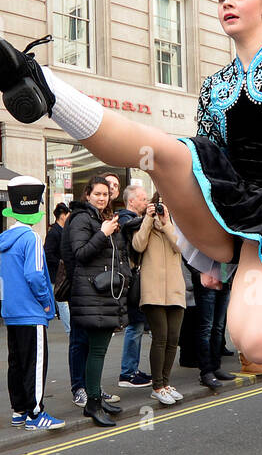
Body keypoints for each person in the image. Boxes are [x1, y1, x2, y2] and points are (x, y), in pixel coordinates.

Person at [0, 0, 262, 451]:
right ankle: (36, 80)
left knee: (256, 342)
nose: (227, 5)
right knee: (169, 153)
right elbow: (207, 162)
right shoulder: (215, 85)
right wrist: (207, 255)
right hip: (224, 204)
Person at [0, 176, 64, 431]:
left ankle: (19, 411)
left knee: (16, 363)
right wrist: (47, 303)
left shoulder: (5, 239)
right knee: (35, 365)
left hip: (12, 312)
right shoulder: (32, 238)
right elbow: (35, 274)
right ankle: (36, 414)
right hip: (31, 312)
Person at [67, 176, 130, 426]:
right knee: (96, 351)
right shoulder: (82, 218)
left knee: (98, 351)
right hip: (93, 295)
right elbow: (80, 254)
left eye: (105, 194)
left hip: (104, 295)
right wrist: (103, 234)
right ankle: (92, 404)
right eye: (97, 194)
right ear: (87, 195)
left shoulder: (101, 218)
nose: (102, 198)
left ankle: (95, 398)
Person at [131, 194, 186, 405]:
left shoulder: (176, 225)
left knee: (173, 339)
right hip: (152, 291)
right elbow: (138, 245)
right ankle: (157, 386)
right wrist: (148, 218)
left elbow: (181, 247)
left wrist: (166, 223)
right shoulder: (145, 225)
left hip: (175, 290)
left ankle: (166, 382)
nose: (163, 207)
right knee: (160, 337)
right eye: (160, 203)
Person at [115, 182, 154, 389]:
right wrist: (147, 218)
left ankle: (131, 369)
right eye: (143, 198)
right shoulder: (125, 218)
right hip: (131, 281)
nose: (147, 202)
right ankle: (127, 373)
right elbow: (130, 227)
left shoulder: (130, 219)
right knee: (135, 326)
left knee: (137, 325)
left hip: (135, 280)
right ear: (132, 201)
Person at [44, 201, 72, 333]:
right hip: (55, 273)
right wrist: (61, 263)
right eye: (68, 214)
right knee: (62, 302)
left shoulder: (63, 231)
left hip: (61, 272)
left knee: (62, 301)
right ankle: (70, 330)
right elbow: (48, 253)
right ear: (62, 216)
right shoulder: (54, 232)